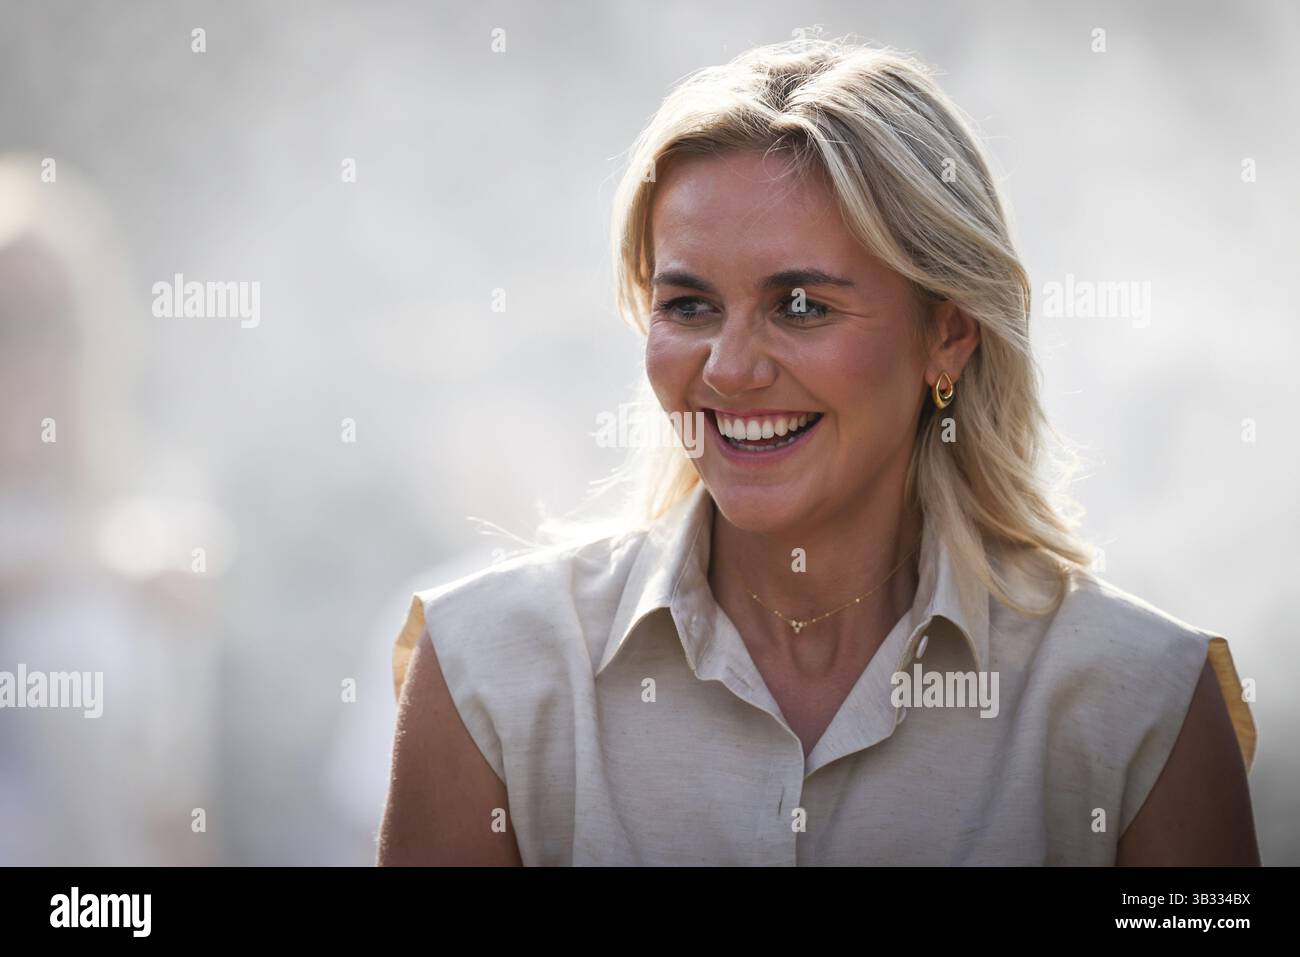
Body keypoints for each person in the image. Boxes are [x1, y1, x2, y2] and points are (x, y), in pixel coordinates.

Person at [377, 38, 1257, 866]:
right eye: (688, 306)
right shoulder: (485, 669)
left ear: (948, 335)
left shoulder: (1144, 701)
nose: (728, 369)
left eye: (800, 305)